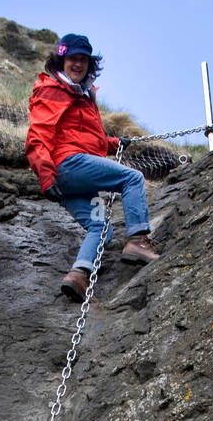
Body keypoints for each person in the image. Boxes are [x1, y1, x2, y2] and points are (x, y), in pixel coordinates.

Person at [24, 33, 162, 301]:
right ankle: (137, 242)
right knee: (132, 179)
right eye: (73, 59)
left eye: (83, 60)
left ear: (90, 65)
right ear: (61, 61)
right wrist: (45, 175)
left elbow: (87, 139)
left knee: (101, 227)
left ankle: (79, 276)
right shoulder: (54, 89)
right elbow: (38, 135)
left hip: (70, 172)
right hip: (67, 164)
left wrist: (112, 144)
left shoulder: (82, 95)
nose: (78, 64)